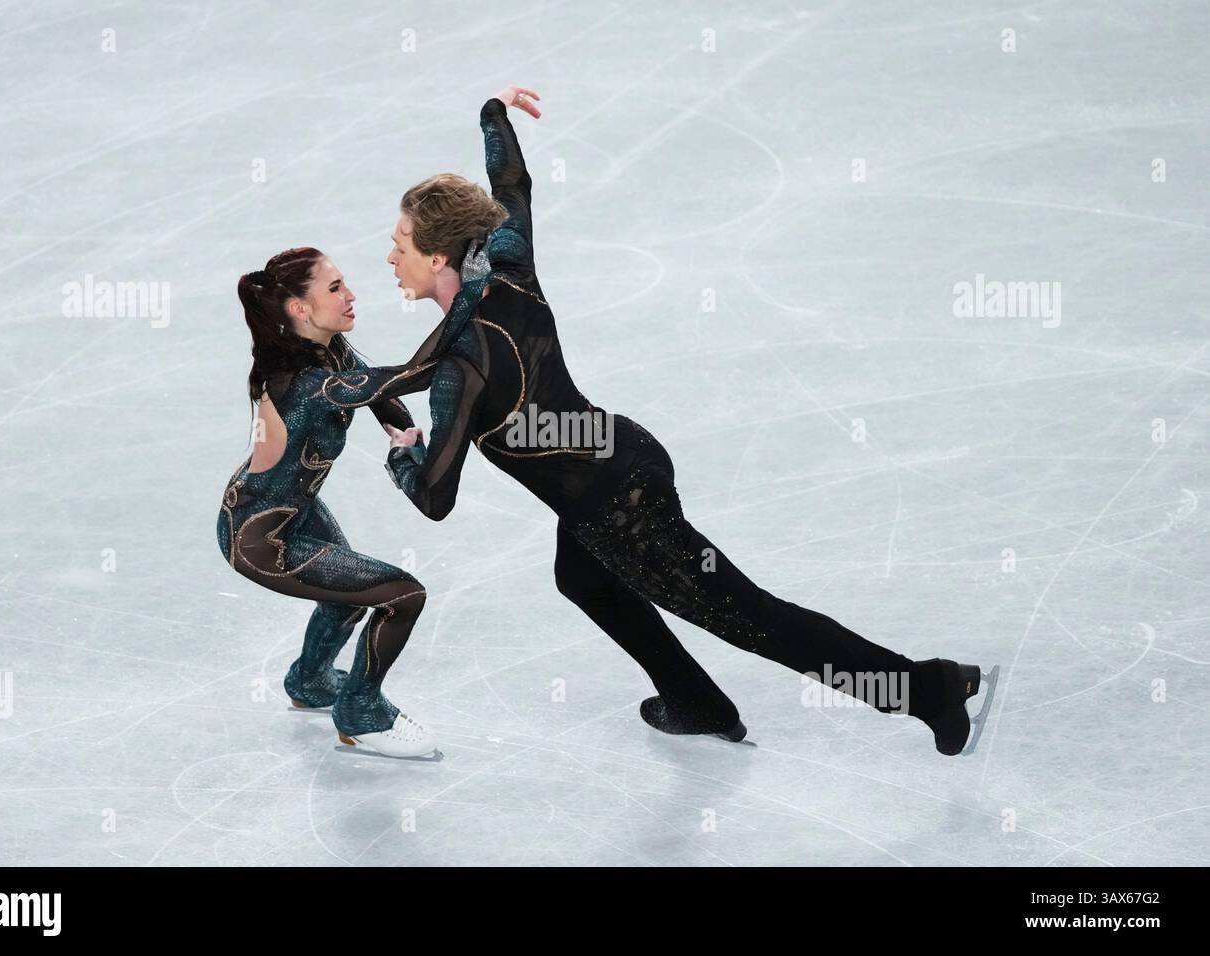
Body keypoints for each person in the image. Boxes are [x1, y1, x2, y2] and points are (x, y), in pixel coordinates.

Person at [334, 88, 1000, 756]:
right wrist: (492, 113)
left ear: (439, 257)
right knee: (582, 577)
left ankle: (928, 689)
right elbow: (512, 182)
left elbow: (435, 498)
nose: (391, 258)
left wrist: (401, 453)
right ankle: (695, 699)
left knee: (756, 620)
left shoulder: (457, 372)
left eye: (400, 246)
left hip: (618, 508)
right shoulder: (508, 262)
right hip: (623, 450)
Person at [216, 247, 438, 758]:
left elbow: (382, 393)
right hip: (261, 537)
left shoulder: (326, 350)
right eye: (335, 288)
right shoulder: (307, 384)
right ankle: (361, 712)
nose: (351, 294)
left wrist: (402, 436)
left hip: (293, 508)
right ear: (299, 308)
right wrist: (474, 319)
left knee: (346, 596)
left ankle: (311, 681)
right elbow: (409, 374)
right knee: (401, 596)